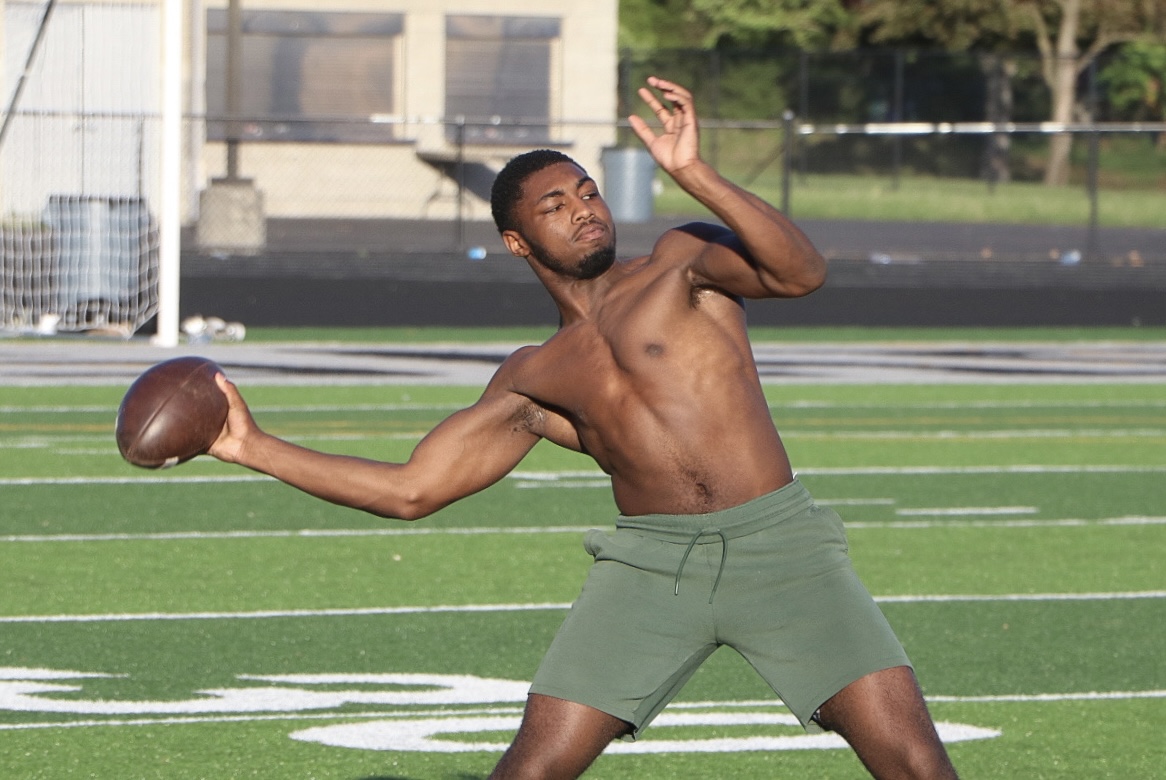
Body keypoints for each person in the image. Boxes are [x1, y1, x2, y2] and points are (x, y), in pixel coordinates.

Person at [208, 76, 958, 780]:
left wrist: (695, 173)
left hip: (780, 547)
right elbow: (410, 491)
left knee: (917, 766)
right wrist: (250, 446)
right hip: (650, 569)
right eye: (555, 206)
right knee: (531, 769)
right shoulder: (533, 376)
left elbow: (802, 274)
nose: (584, 208)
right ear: (517, 242)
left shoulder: (680, 263)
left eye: (587, 191)